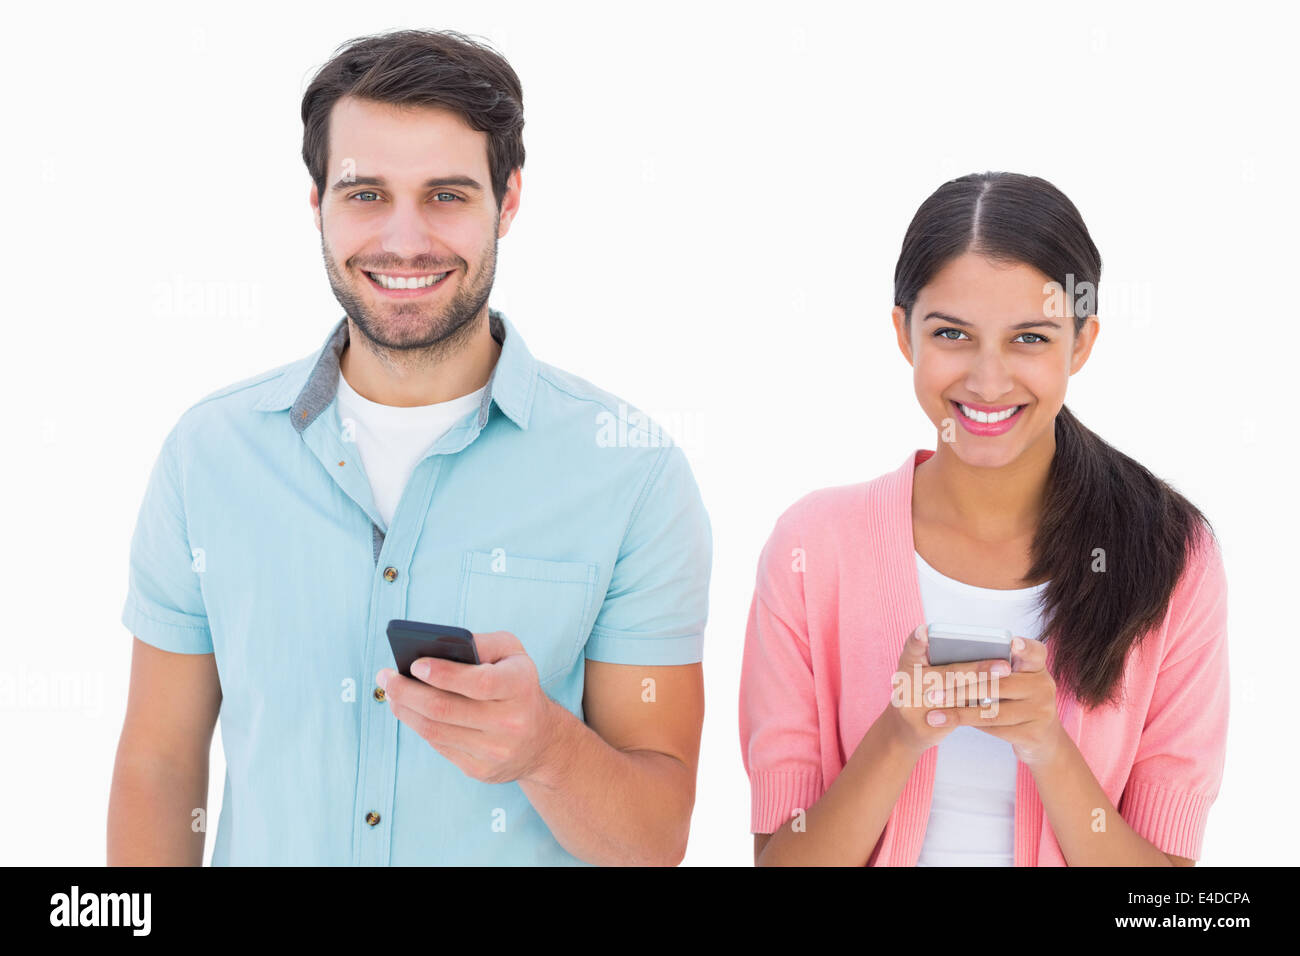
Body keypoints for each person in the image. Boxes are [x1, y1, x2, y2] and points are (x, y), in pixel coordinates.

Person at [109, 29, 711, 866]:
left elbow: (656, 837)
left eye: (446, 195)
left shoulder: (633, 474)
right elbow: (159, 765)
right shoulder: (207, 457)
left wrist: (546, 749)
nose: (403, 239)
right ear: (316, 203)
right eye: (365, 194)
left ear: (508, 201)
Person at [739, 171, 1228, 866]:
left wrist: (1048, 746)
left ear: (1081, 343)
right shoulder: (811, 549)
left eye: (1030, 337)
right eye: (952, 333)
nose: (988, 380)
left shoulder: (1172, 557)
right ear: (904, 335)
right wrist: (901, 734)